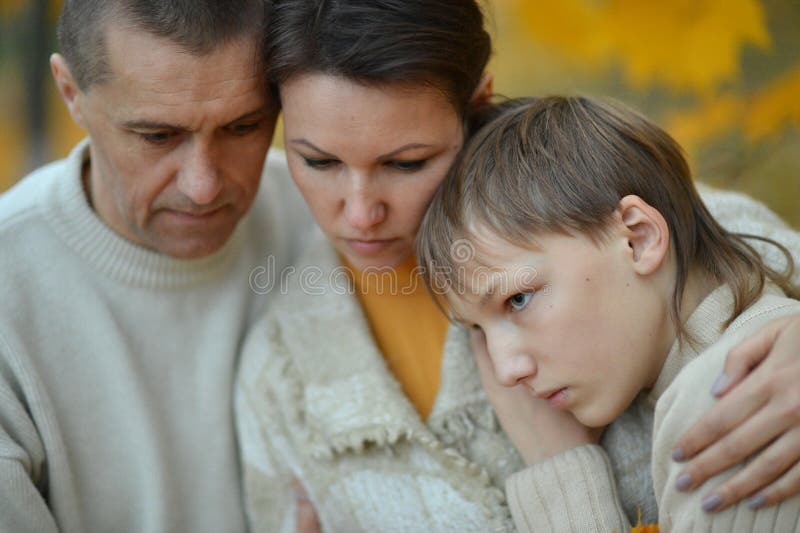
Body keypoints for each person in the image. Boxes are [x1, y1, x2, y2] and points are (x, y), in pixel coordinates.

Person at [235, 1, 800, 531]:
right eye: (318, 160)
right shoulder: (281, 377)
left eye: (407, 162)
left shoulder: (647, 229)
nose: (360, 213)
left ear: (477, 101)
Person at [416, 95, 800, 531]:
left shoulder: (739, 394)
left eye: (518, 299)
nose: (506, 372)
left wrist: (563, 477)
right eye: (480, 332)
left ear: (638, 238)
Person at [0, 1, 314, 531]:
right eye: (157, 136)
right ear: (70, 92)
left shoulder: (332, 222)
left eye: (243, 127)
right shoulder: (11, 293)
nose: (203, 185)